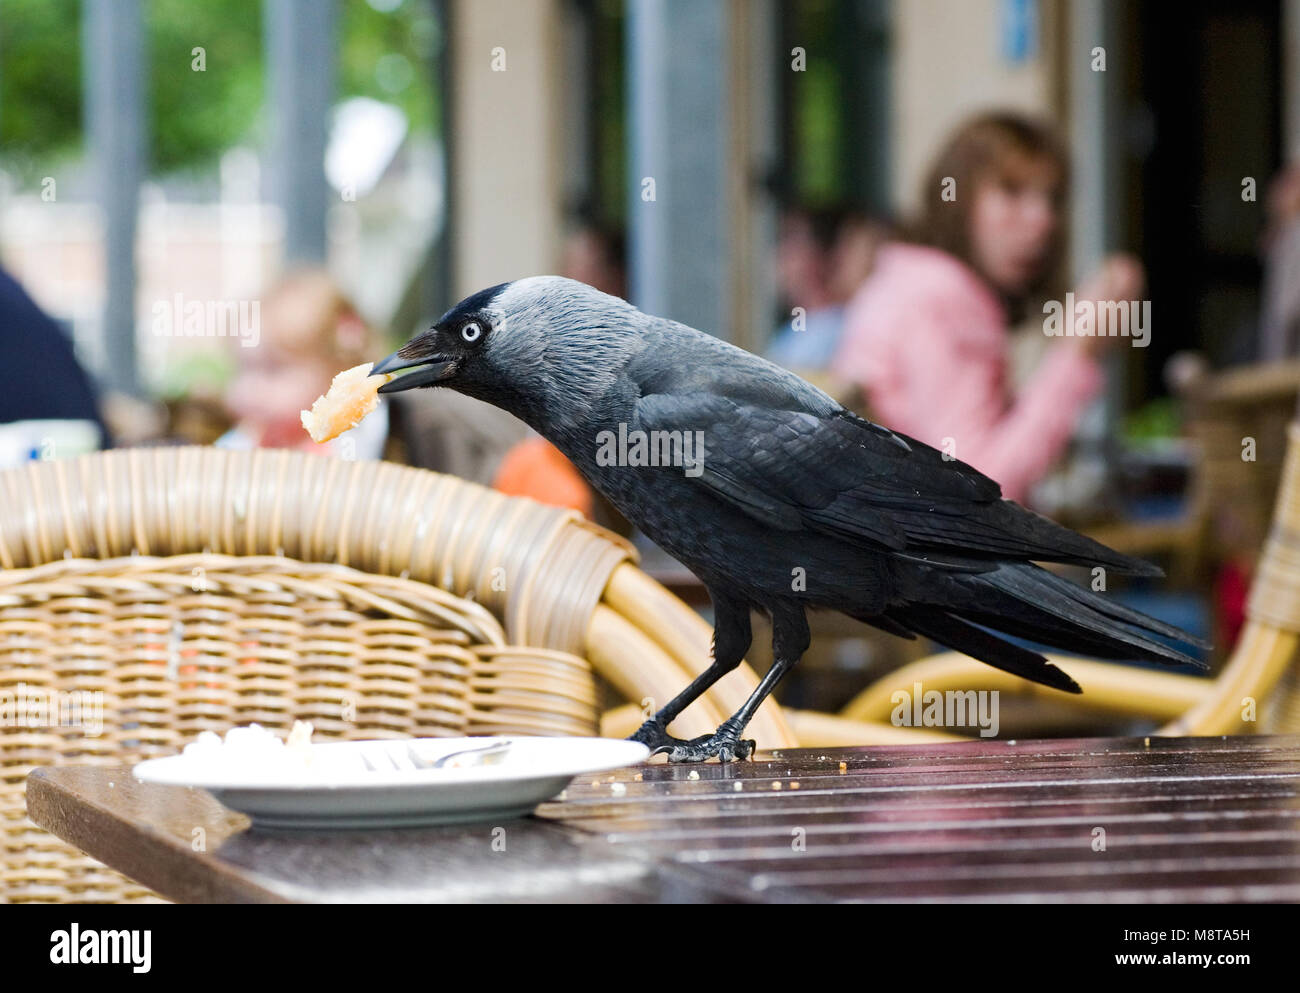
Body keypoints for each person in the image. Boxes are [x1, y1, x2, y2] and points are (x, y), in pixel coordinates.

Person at [834, 111, 1143, 504]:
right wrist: (1076, 352)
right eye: (1011, 192)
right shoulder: (940, 297)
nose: (1042, 220)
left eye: (1052, 199)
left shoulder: (908, 278)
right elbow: (980, 488)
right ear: (958, 198)